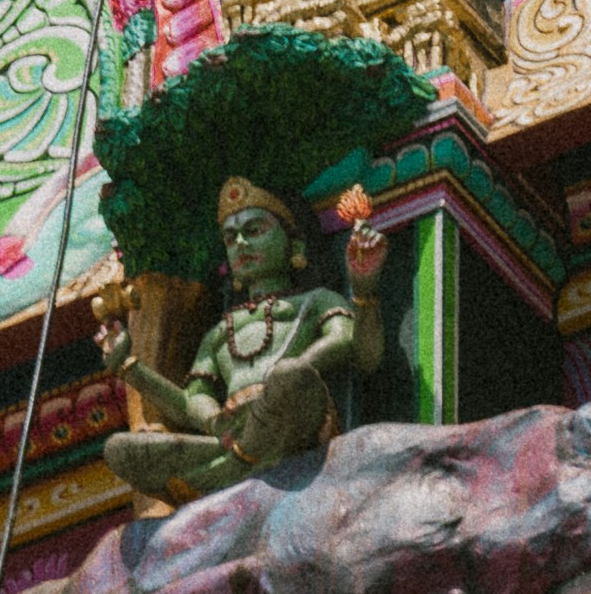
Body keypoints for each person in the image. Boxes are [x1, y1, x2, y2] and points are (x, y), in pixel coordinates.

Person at [101, 179, 387, 510]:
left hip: (291, 421)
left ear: (293, 244)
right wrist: (129, 366)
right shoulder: (220, 333)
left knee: (293, 376)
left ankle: (230, 469)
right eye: (230, 237)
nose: (240, 243)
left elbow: (360, 350)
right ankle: (242, 460)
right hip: (230, 435)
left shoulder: (316, 301)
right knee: (121, 450)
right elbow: (190, 401)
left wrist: (364, 289)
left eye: (254, 230)